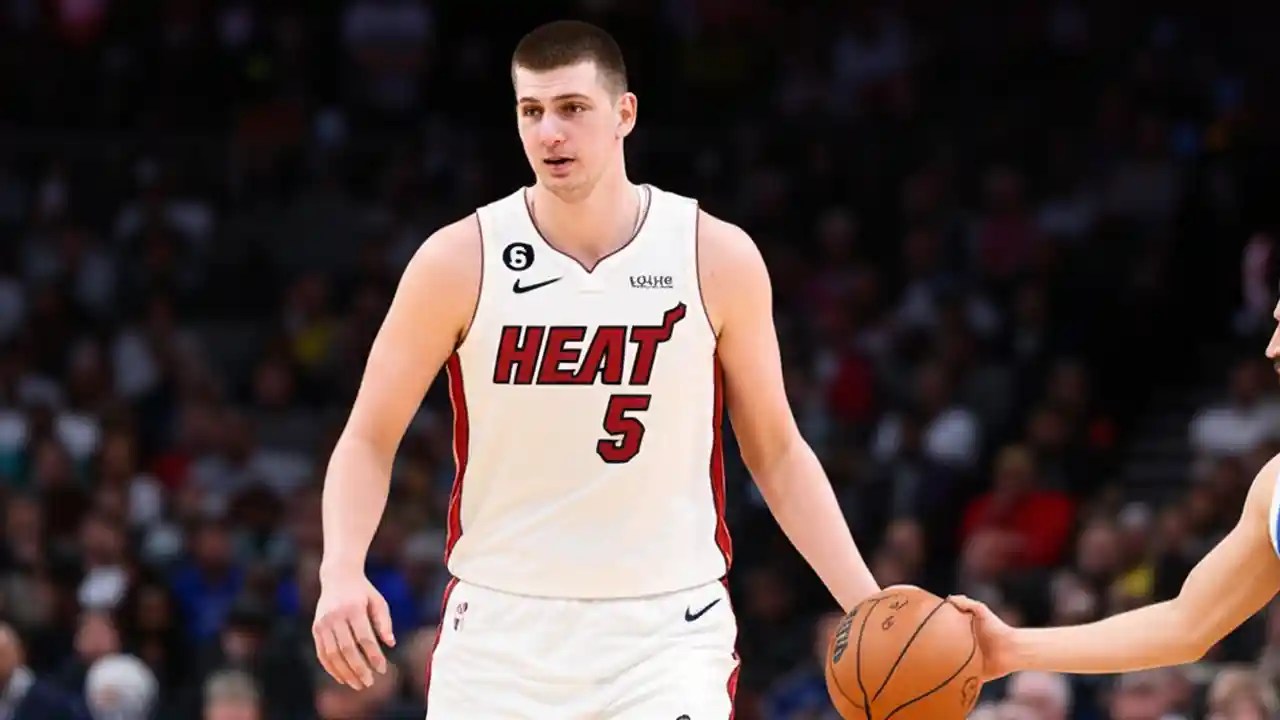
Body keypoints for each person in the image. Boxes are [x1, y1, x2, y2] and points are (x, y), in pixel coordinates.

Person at [311, 19, 879, 718]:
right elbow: (368, 436)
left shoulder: (714, 255)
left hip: (665, 632)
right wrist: (340, 569)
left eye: (573, 108)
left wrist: (870, 604)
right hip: (500, 631)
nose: (550, 132)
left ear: (624, 113)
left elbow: (778, 452)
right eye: (532, 111)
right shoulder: (459, 260)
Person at [952, 301, 1280, 682]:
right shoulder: (1273, 485)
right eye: (1275, 324)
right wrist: (1008, 648)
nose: (1272, 348)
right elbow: (1186, 624)